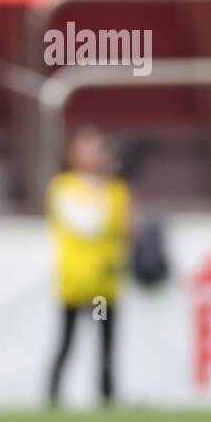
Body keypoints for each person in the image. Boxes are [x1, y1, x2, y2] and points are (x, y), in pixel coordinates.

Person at [46, 126, 130, 407]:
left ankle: (107, 400)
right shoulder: (64, 187)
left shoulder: (115, 190)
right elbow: (89, 223)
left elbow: (128, 227)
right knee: (66, 344)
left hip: (105, 281)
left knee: (107, 348)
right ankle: (53, 399)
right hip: (76, 281)